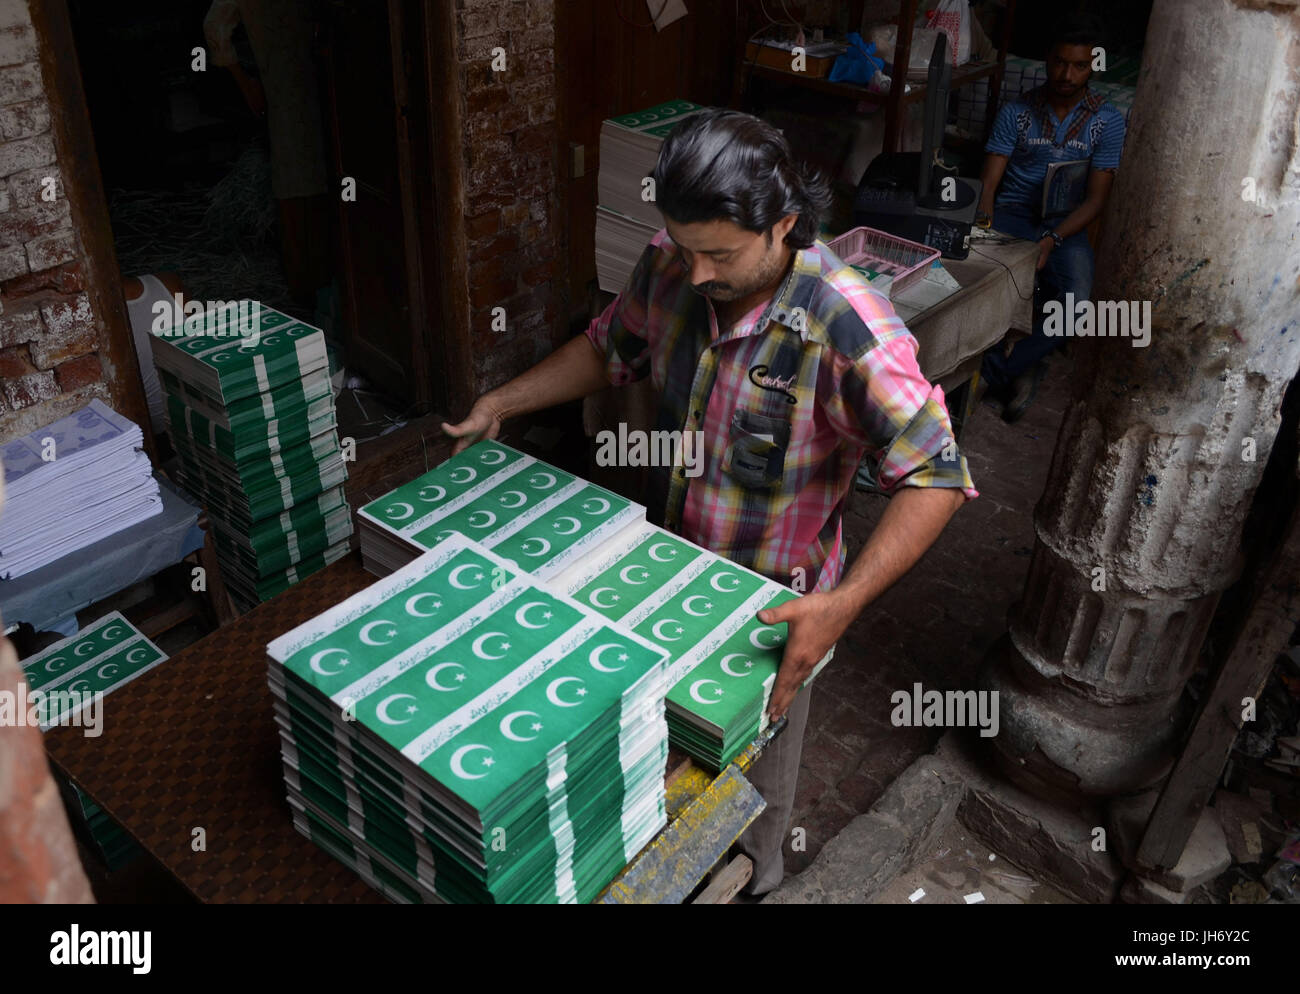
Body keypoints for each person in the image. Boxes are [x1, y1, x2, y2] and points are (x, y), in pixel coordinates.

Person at [443, 109, 977, 897]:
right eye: (684, 247)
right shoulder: (674, 258)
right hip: (657, 577)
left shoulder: (845, 322)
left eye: (718, 255)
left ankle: (759, 880)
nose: (693, 274)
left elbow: (937, 473)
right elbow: (607, 349)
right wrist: (503, 401)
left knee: (748, 793)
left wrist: (845, 602)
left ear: (784, 225)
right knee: (648, 767)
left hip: (769, 616)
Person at [977, 12, 1127, 422]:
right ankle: (1008, 371)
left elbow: (1096, 200)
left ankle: (1002, 371)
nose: (1067, 73)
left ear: (1093, 67)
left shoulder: (1107, 121)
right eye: (1060, 62)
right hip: (1012, 215)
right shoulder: (1018, 112)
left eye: (1079, 65)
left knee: (1077, 308)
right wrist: (984, 225)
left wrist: (1052, 241)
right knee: (978, 286)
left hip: (1064, 225)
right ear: (1048, 60)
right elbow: (990, 180)